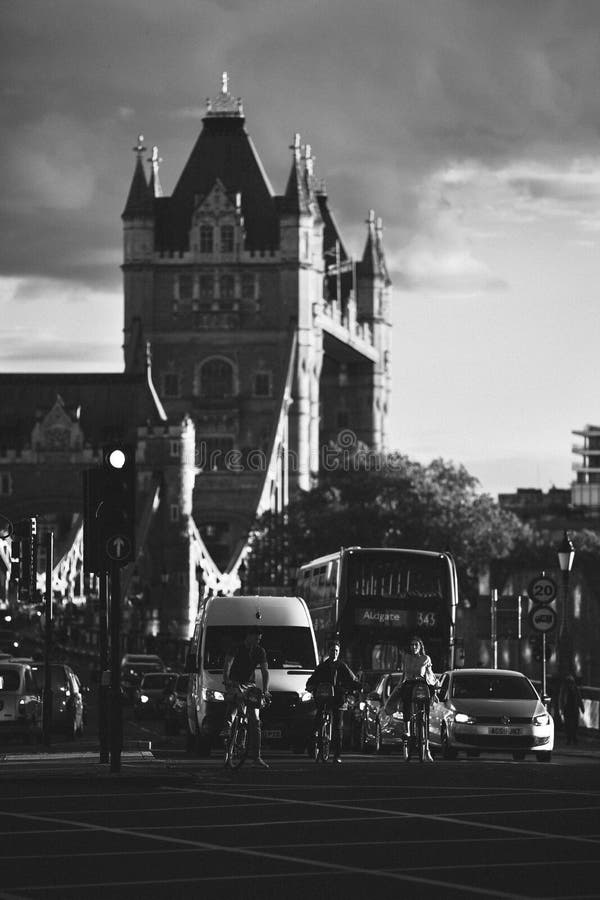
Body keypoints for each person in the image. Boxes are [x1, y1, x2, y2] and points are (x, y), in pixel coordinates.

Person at [222, 625, 270, 768]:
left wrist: (266, 690)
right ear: (248, 636)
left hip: (250, 685)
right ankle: (227, 733)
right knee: (232, 709)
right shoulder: (236, 648)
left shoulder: (260, 651)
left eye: (259, 639)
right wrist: (226, 680)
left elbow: (265, 671)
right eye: (256, 638)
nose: (258, 641)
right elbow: (227, 664)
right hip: (235, 683)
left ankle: (256, 757)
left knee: (255, 721)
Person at [306, 638, 360, 764]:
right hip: (324, 700)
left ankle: (337, 755)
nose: (334, 653)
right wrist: (310, 686)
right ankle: (316, 747)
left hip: (338, 700)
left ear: (339, 652)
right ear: (328, 651)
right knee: (317, 722)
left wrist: (355, 687)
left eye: (336, 651)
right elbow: (312, 680)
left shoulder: (342, 666)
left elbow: (353, 680)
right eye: (332, 650)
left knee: (337, 727)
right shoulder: (322, 667)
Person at [394, 635, 438, 761]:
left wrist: (434, 687)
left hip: (422, 684)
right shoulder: (407, 658)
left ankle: (427, 748)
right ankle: (407, 729)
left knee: (426, 713)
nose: (413, 647)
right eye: (412, 645)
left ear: (420, 647)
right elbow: (404, 674)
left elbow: (430, 674)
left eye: (416, 645)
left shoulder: (426, 658)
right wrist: (399, 686)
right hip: (409, 684)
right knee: (406, 700)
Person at [559, 673, 584, 745]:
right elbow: (561, 699)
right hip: (569, 708)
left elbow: (579, 698)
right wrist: (561, 708)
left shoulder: (573, 688)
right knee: (569, 724)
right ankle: (570, 738)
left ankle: (572, 738)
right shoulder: (567, 688)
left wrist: (582, 707)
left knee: (573, 724)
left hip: (572, 708)